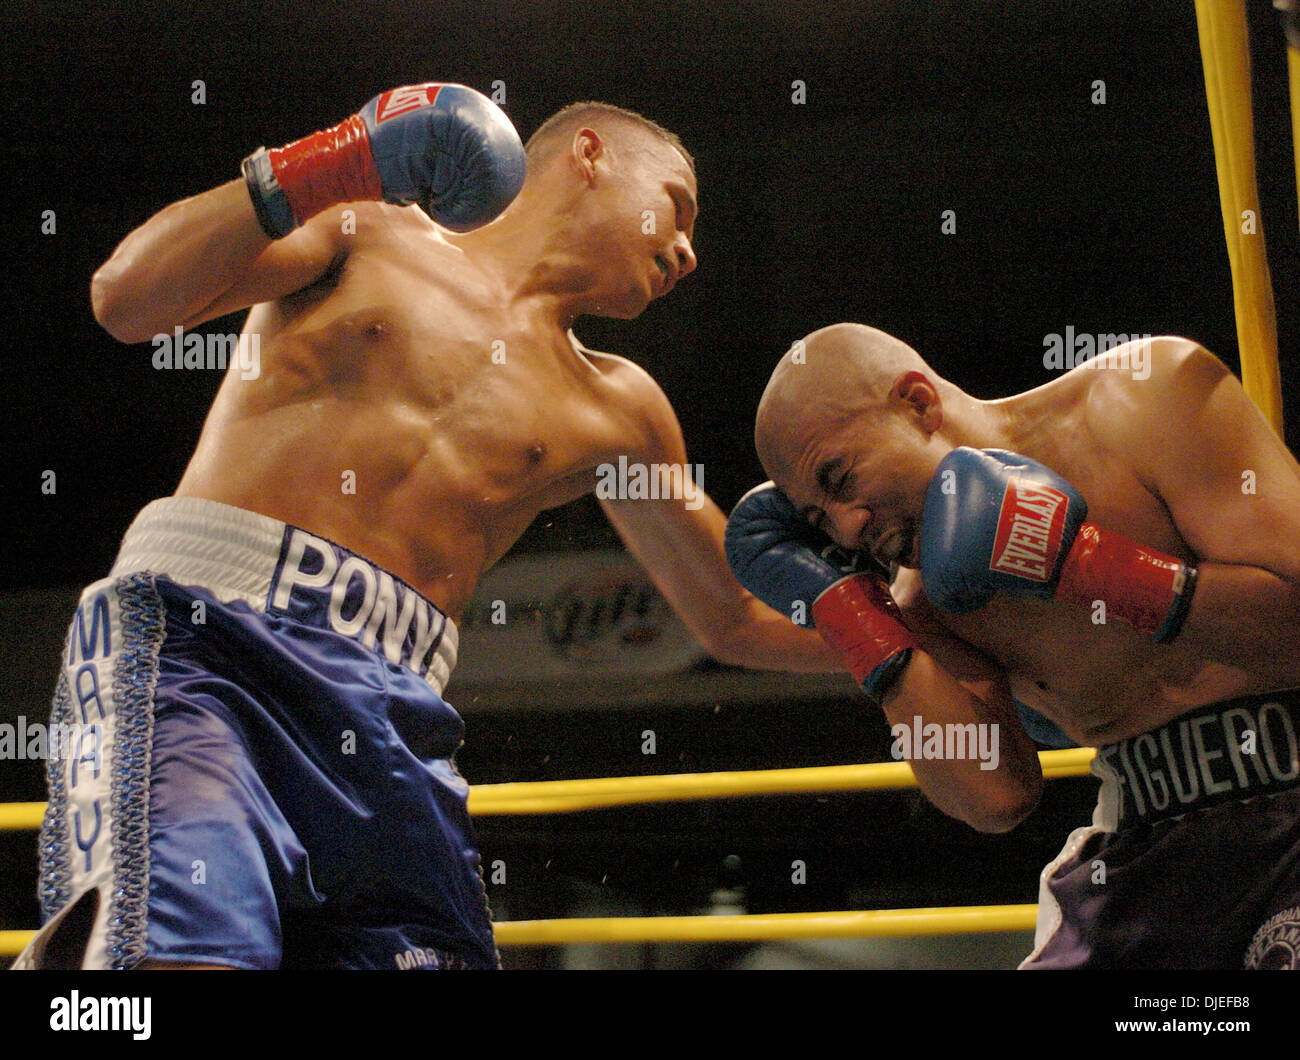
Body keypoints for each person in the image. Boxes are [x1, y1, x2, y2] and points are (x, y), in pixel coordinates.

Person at [18, 83, 836, 971]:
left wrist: (915, 634)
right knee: (172, 958)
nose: (687, 250)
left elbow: (731, 615)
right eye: (676, 209)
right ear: (588, 154)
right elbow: (127, 298)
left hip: (395, 712)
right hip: (212, 643)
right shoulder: (367, 229)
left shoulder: (621, 409)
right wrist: (332, 160)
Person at [726, 321, 1300, 969]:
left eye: (840, 479)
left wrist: (1085, 564)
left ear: (918, 403)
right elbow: (993, 797)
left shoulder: (1146, 399)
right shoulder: (924, 602)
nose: (850, 527)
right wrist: (860, 623)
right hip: (1142, 847)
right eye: (819, 521)